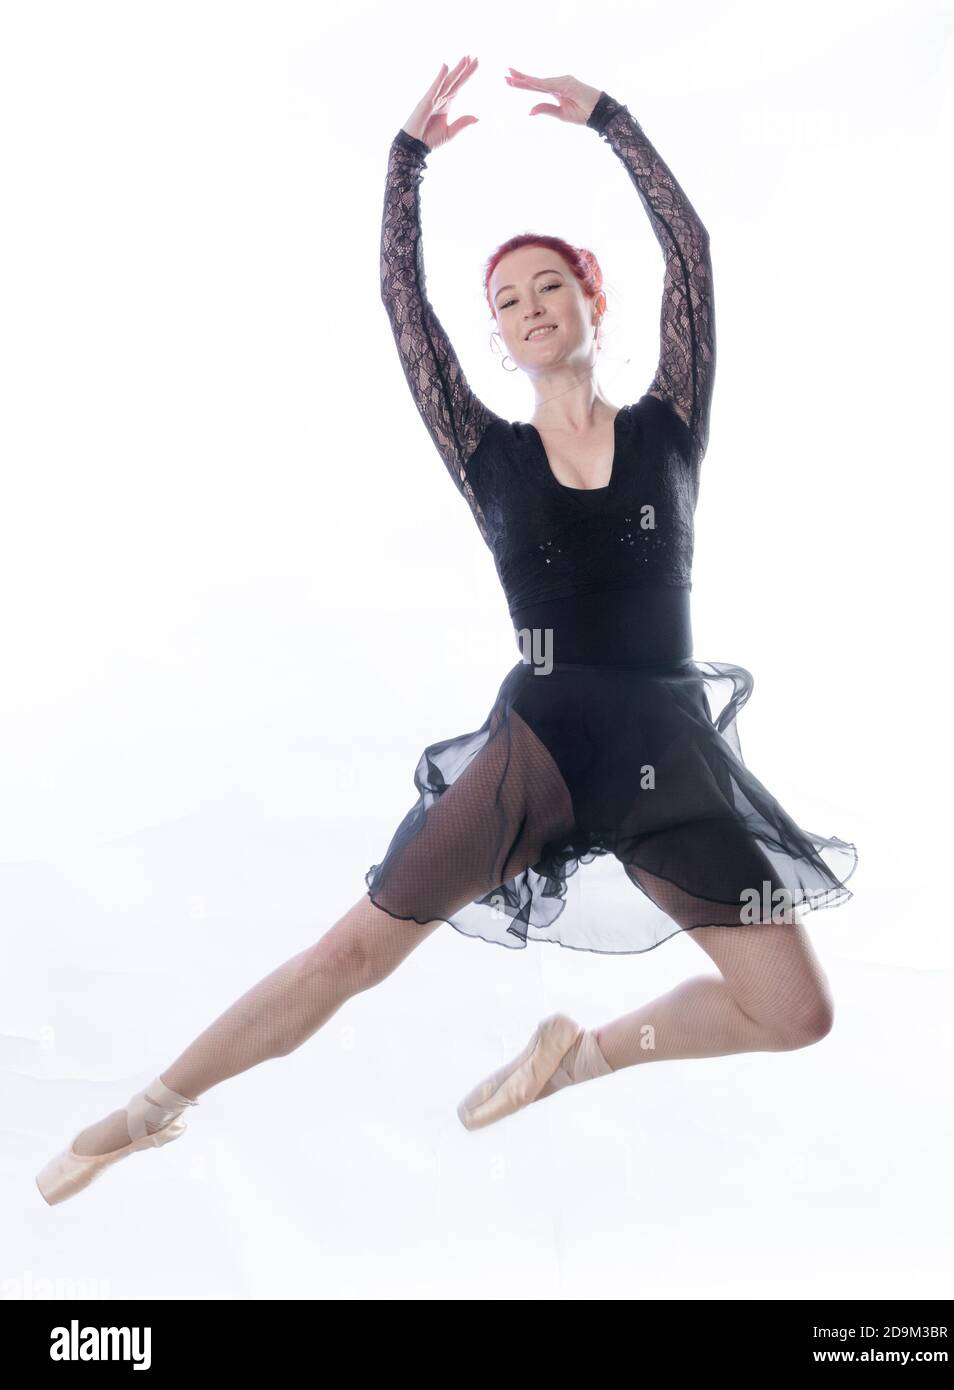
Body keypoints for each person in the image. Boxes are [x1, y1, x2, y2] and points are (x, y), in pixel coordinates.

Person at [35, 58, 857, 1204]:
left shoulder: (670, 424)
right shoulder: (488, 456)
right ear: (499, 338)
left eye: (546, 287)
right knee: (353, 953)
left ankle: (581, 1055)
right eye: (508, 305)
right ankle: (141, 1113)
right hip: (542, 745)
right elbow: (401, 307)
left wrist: (612, 126)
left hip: (667, 753)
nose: (527, 312)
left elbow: (694, 257)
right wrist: (403, 166)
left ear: (591, 298)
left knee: (793, 1010)